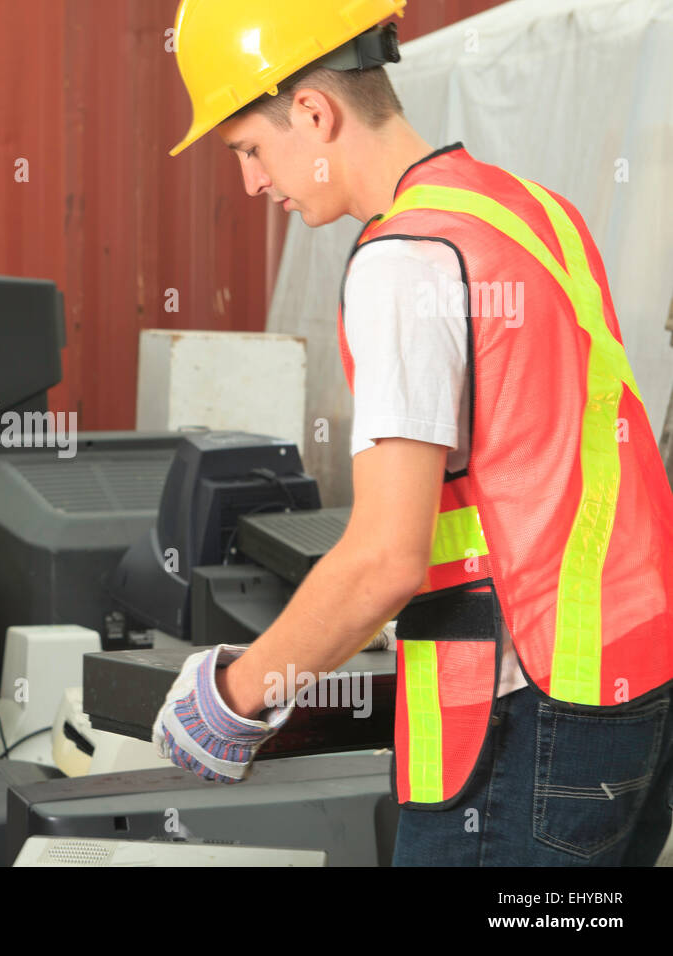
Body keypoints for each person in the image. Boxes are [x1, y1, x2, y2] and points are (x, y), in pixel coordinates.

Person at [153, 0, 673, 866]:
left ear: (315, 112)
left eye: (250, 148)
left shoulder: (403, 262)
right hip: (634, 691)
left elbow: (385, 559)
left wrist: (235, 697)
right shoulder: (536, 213)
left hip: (521, 718)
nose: (252, 184)